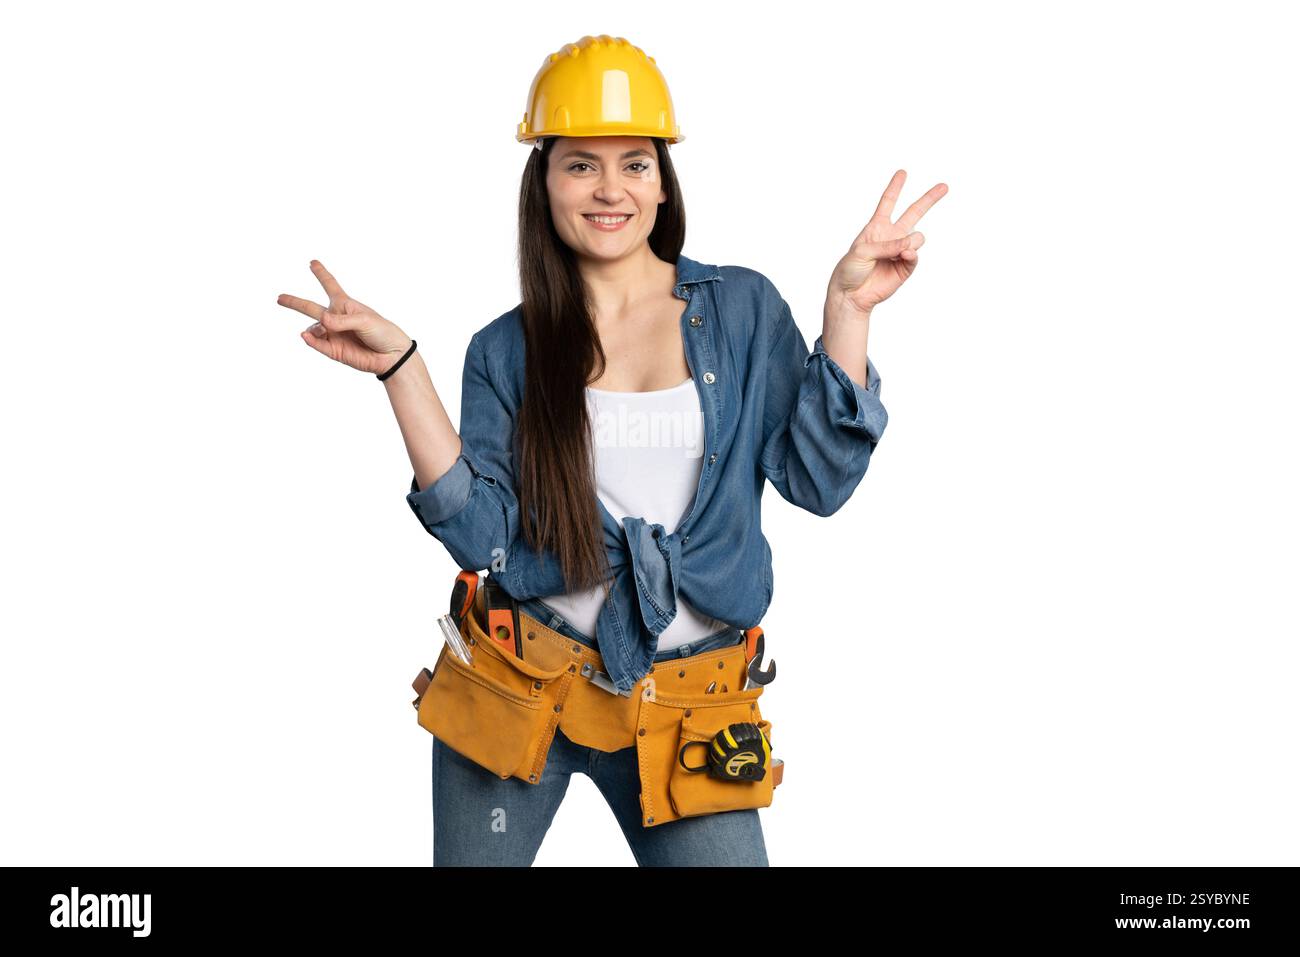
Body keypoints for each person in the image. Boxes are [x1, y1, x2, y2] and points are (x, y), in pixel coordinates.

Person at [277, 34, 946, 866]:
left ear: (663, 183)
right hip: (520, 687)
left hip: (692, 707)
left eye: (635, 163)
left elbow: (818, 481)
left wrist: (848, 313)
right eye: (580, 164)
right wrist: (402, 371)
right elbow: (483, 535)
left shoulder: (741, 312)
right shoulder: (506, 350)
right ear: (544, 181)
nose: (610, 189)